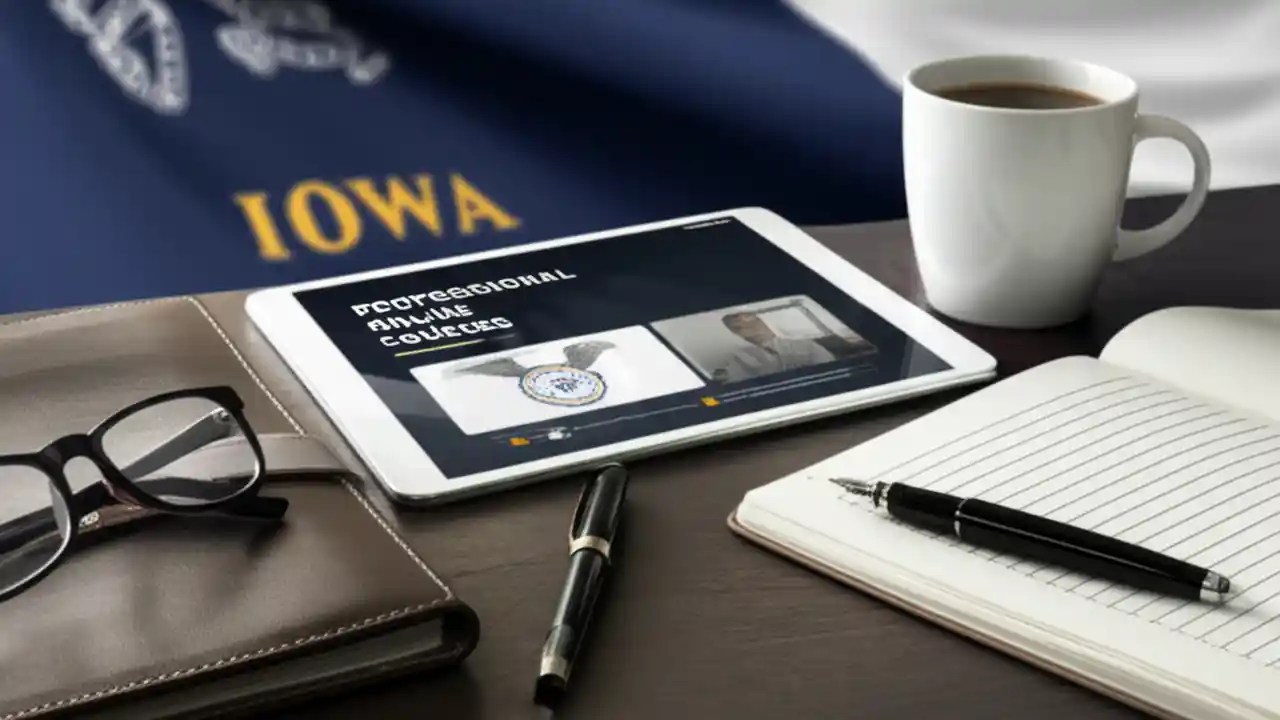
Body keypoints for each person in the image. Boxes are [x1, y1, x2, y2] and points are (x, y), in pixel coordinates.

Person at [714, 311, 836, 382]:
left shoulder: (803, 343)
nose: (743, 325)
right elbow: (741, 385)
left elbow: (830, 369)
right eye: (736, 327)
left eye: (749, 319)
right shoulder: (738, 359)